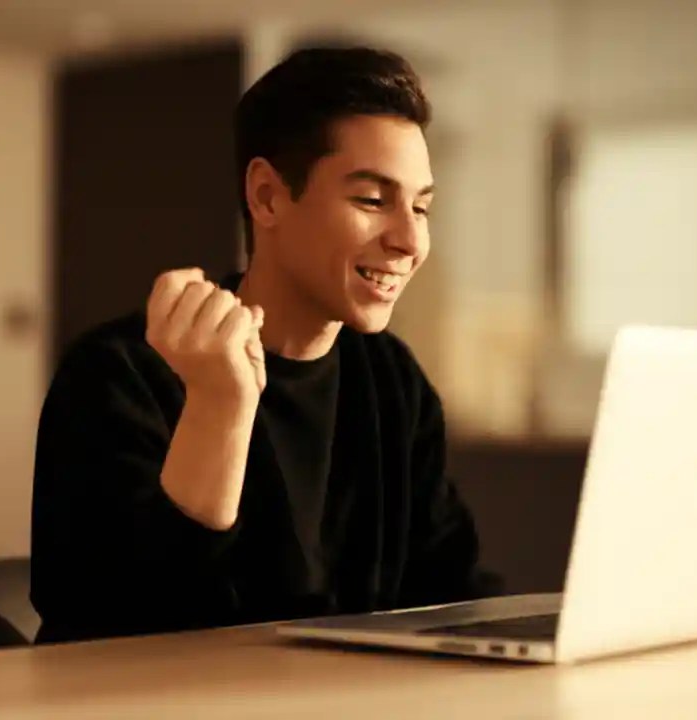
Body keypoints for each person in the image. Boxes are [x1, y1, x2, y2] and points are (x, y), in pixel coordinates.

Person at [30, 45, 498, 645]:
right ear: (268, 196)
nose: (409, 240)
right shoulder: (119, 374)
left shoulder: (392, 379)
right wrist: (218, 406)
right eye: (372, 200)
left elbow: (454, 590)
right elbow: (120, 628)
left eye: (422, 207)